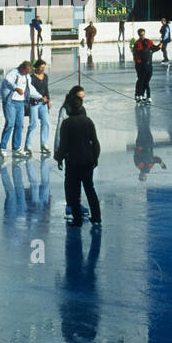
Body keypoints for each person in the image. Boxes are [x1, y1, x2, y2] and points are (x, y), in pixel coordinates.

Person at [54, 86, 101, 227]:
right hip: (87, 160)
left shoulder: (67, 124)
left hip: (73, 161)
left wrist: (59, 158)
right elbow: (95, 142)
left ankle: (77, 219)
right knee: (89, 188)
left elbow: (63, 145)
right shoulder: (88, 121)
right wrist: (95, 158)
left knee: (73, 189)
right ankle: (97, 217)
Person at [0, 60, 41, 158]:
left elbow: (30, 89)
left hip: (21, 103)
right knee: (10, 124)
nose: (28, 73)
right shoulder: (13, 73)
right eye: (27, 71)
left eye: (29, 72)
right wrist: (16, 88)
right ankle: (2, 148)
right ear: (22, 68)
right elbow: (7, 82)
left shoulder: (27, 77)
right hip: (10, 102)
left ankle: (16, 148)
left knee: (20, 125)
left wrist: (39, 96)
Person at [24, 58, 52, 155]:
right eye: (41, 67)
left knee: (45, 123)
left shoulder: (46, 76)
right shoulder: (31, 78)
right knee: (33, 124)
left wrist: (48, 101)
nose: (43, 69)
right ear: (36, 67)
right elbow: (30, 92)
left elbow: (46, 89)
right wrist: (40, 98)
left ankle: (44, 143)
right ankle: (28, 145)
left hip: (43, 104)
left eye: (44, 68)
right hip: (34, 104)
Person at [131, 29, 159, 102]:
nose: (142, 36)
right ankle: (138, 94)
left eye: (143, 34)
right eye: (141, 35)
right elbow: (135, 55)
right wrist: (139, 64)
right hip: (140, 66)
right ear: (138, 35)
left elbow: (154, 48)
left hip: (148, 65)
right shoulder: (137, 44)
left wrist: (160, 44)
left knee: (145, 81)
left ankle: (142, 94)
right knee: (141, 80)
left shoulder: (149, 41)